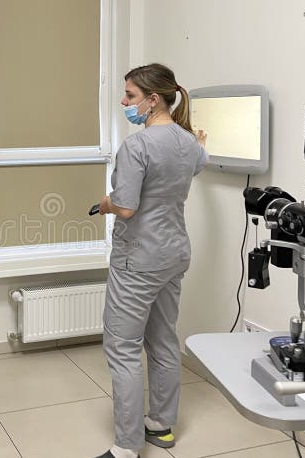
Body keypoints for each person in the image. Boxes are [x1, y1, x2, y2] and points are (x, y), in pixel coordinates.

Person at [95, 63, 207, 458]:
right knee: (162, 339)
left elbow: (125, 207)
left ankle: (126, 447)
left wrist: (106, 204)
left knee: (123, 346)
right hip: (174, 253)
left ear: (153, 99)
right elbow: (197, 163)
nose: (124, 102)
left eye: (130, 96)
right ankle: (160, 426)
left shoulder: (137, 146)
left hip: (139, 259)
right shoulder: (190, 142)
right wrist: (197, 142)